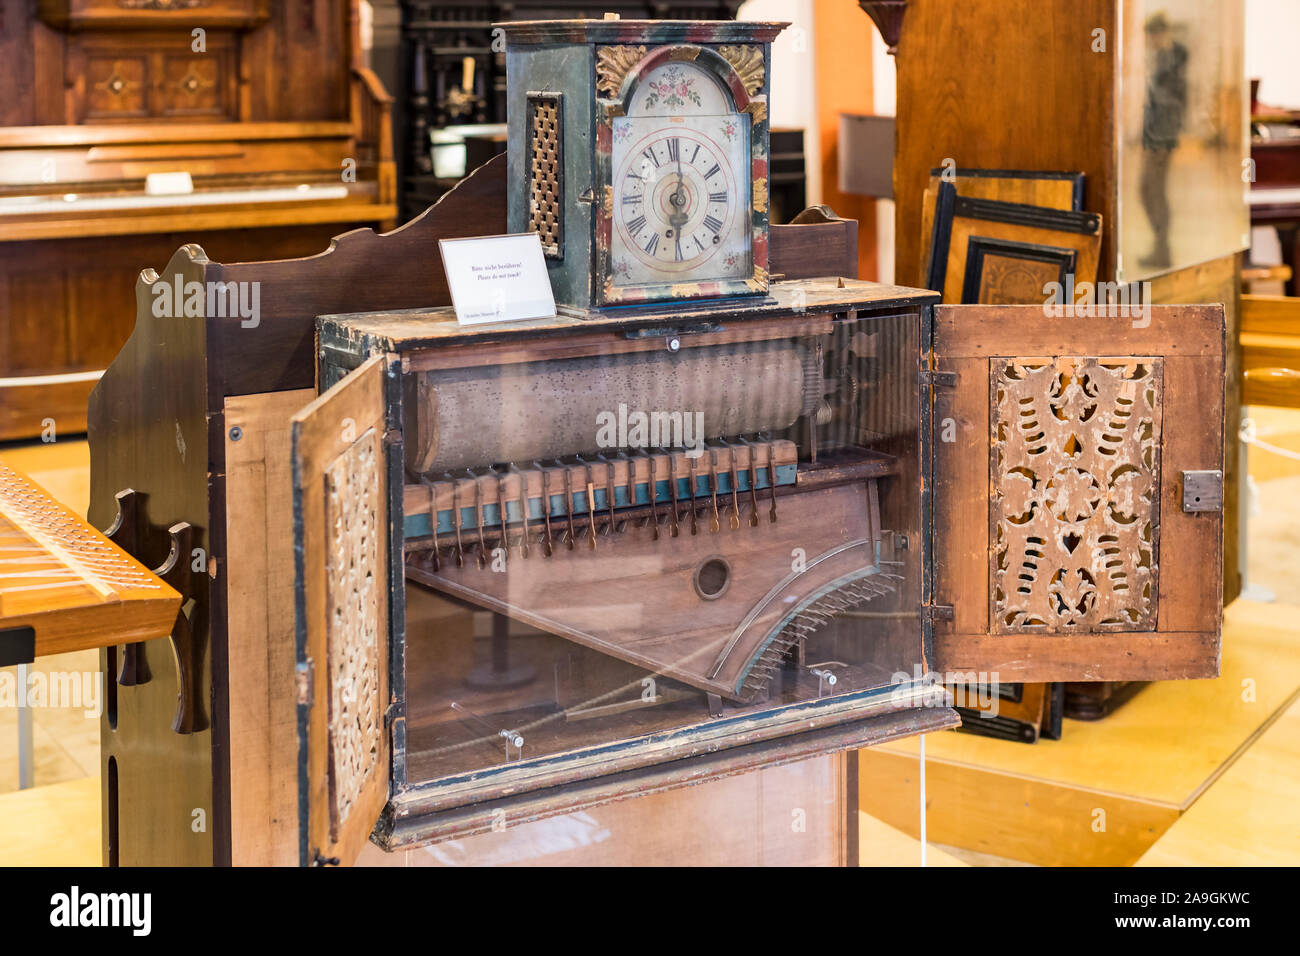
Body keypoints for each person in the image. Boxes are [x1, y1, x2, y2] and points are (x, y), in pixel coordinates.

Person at [1139, 12, 1188, 270]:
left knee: (1153, 192)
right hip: (1156, 134)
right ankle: (1160, 247)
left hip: (1162, 136)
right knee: (1149, 192)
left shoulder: (1172, 58)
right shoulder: (1165, 58)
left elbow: (1171, 101)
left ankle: (1162, 249)